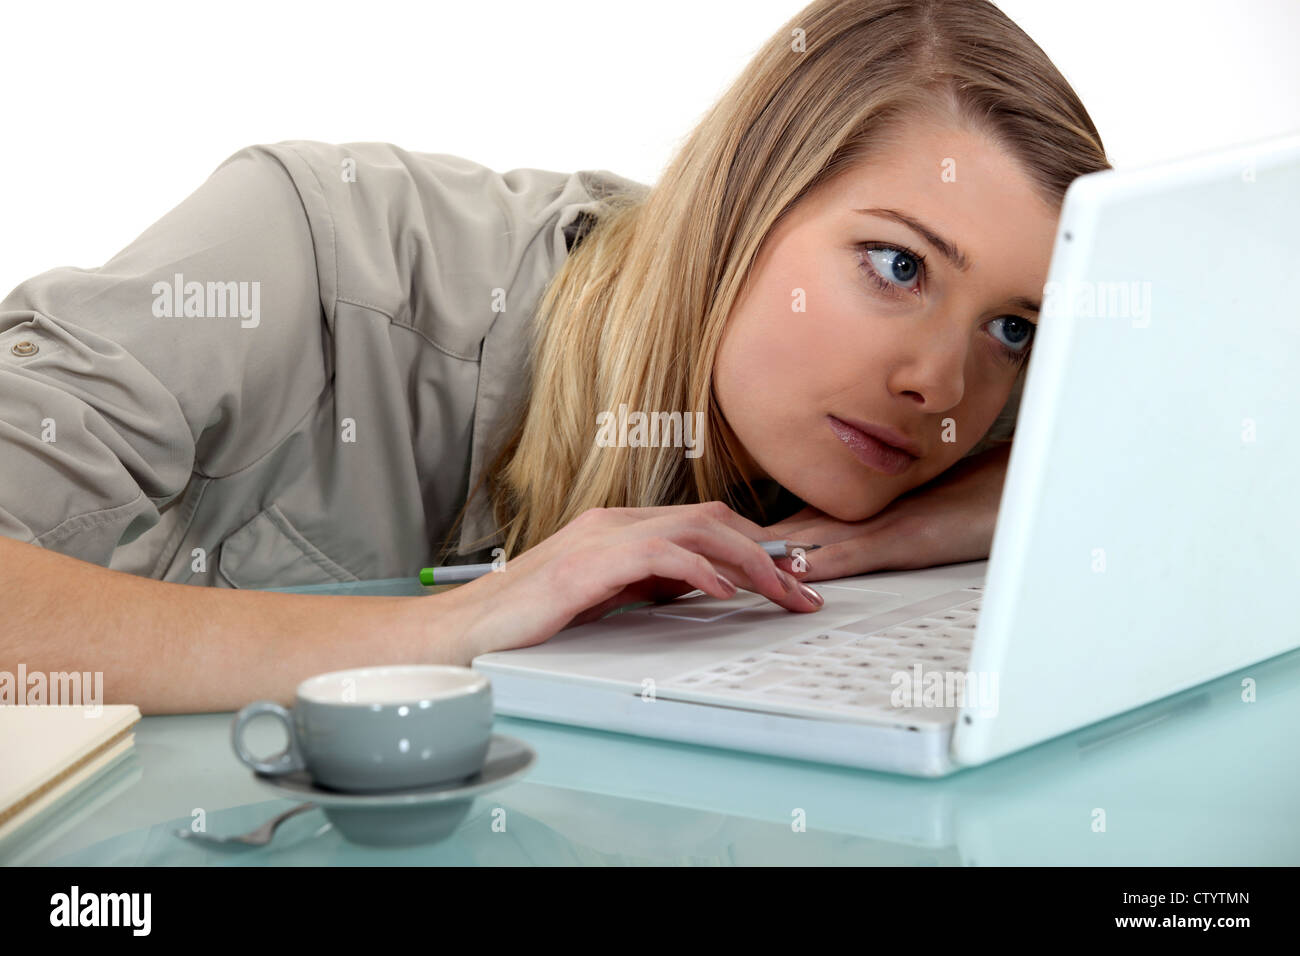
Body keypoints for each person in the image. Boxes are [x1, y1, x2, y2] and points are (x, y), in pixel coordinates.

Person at [0, 0, 1109, 714]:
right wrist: (453, 624)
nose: (942, 388)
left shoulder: (941, 412)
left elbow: (1220, 444)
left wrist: (923, 526)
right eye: (897, 266)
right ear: (737, 203)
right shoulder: (315, 246)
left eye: (1013, 327)